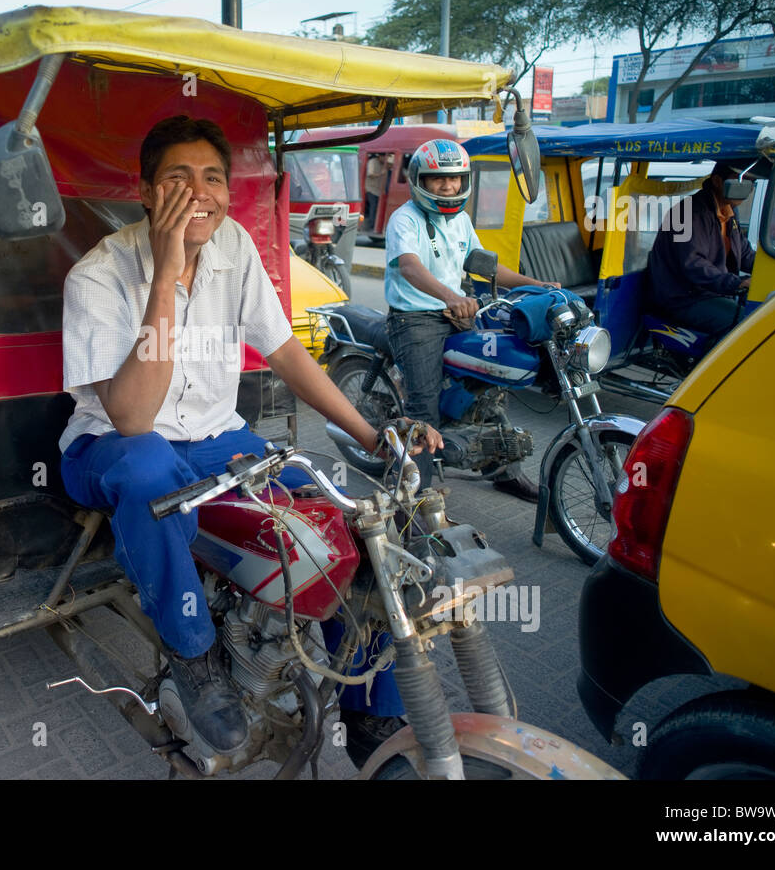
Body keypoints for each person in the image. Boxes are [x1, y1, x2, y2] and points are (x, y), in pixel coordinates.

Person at [58, 115, 443, 756]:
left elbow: (286, 351)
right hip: (110, 448)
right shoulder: (97, 276)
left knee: (364, 522)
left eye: (212, 178)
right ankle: (195, 652)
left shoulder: (234, 246)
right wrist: (165, 273)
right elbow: (131, 417)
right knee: (150, 465)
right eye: (178, 179)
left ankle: (372, 713)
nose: (198, 193)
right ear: (148, 192)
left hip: (218, 440)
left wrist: (374, 438)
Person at [383, 139, 559, 502]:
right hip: (415, 320)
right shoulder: (405, 219)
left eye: (454, 179)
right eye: (437, 180)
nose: (448, 187)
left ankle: (504, 471)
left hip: (457, 314)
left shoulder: (460, 220)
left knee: (494, 382)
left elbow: (484, 264)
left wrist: (534, 284)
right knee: (422, 409)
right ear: (420, 180)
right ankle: (415, 498)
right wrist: (450, 296)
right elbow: (409, 266)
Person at [646, 160, 754, 341]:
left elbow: (745, 254)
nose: (748, 189)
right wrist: (737, 283)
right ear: (718, 181)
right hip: (681, 298)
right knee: (742, 322)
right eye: (741, 182)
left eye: (751, 183)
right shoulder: (686, 213)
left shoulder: (729, 213)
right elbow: (693, 264)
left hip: (710, 293)